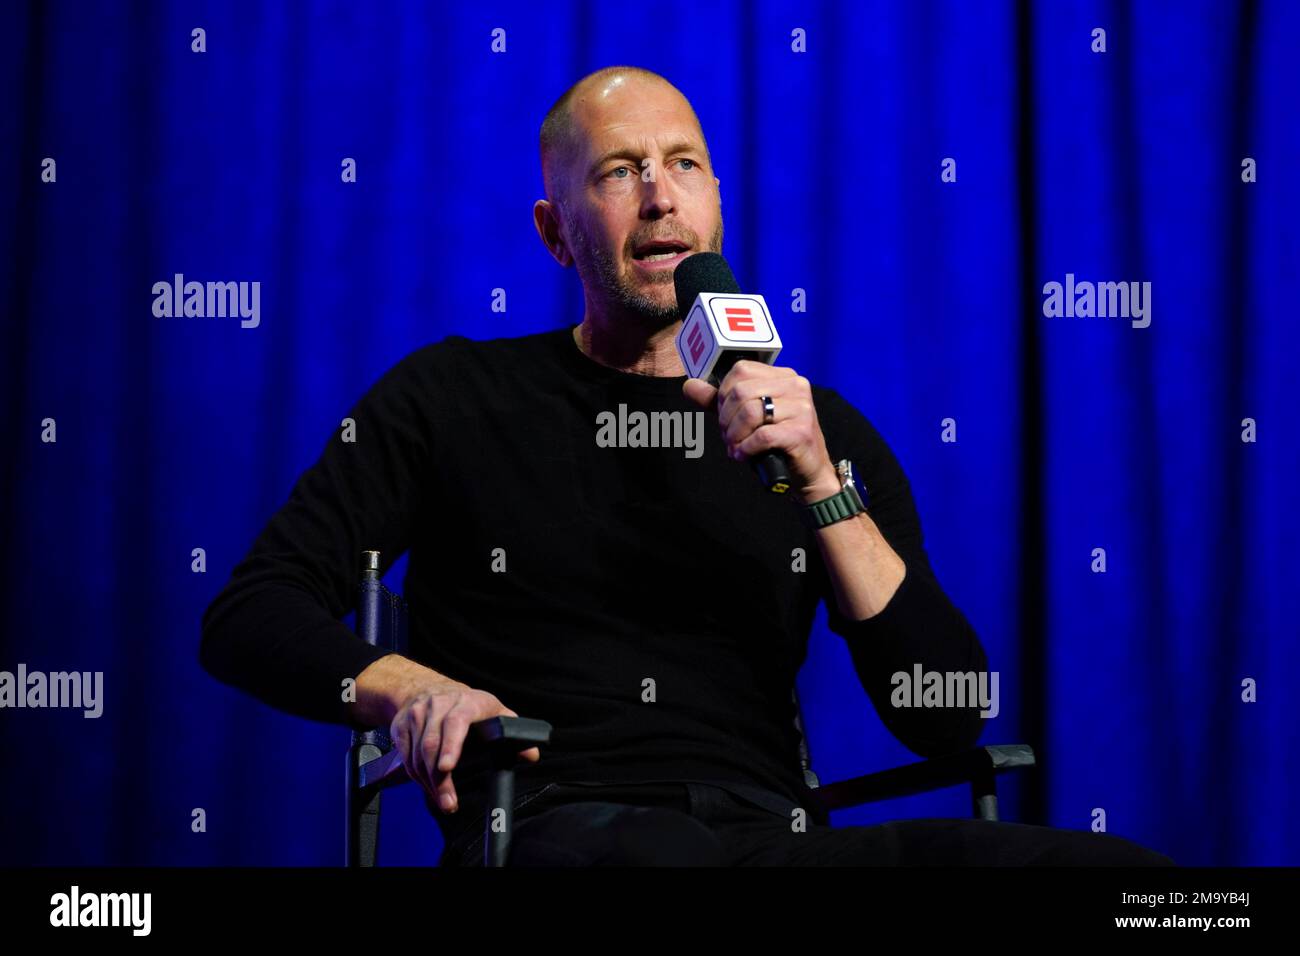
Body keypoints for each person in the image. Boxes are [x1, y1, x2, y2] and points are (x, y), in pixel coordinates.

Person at [200, 66, 1172, 867]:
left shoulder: (810, 424)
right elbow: (249, 612)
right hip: (553, 826)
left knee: (1131, 884)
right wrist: (413, 689)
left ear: (714, 204)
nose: (660, 193)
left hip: (769, 837)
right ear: (553, 231)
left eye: (683, 165)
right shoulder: (449, 396)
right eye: (619, 171)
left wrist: (822, 482)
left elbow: (949, 717)